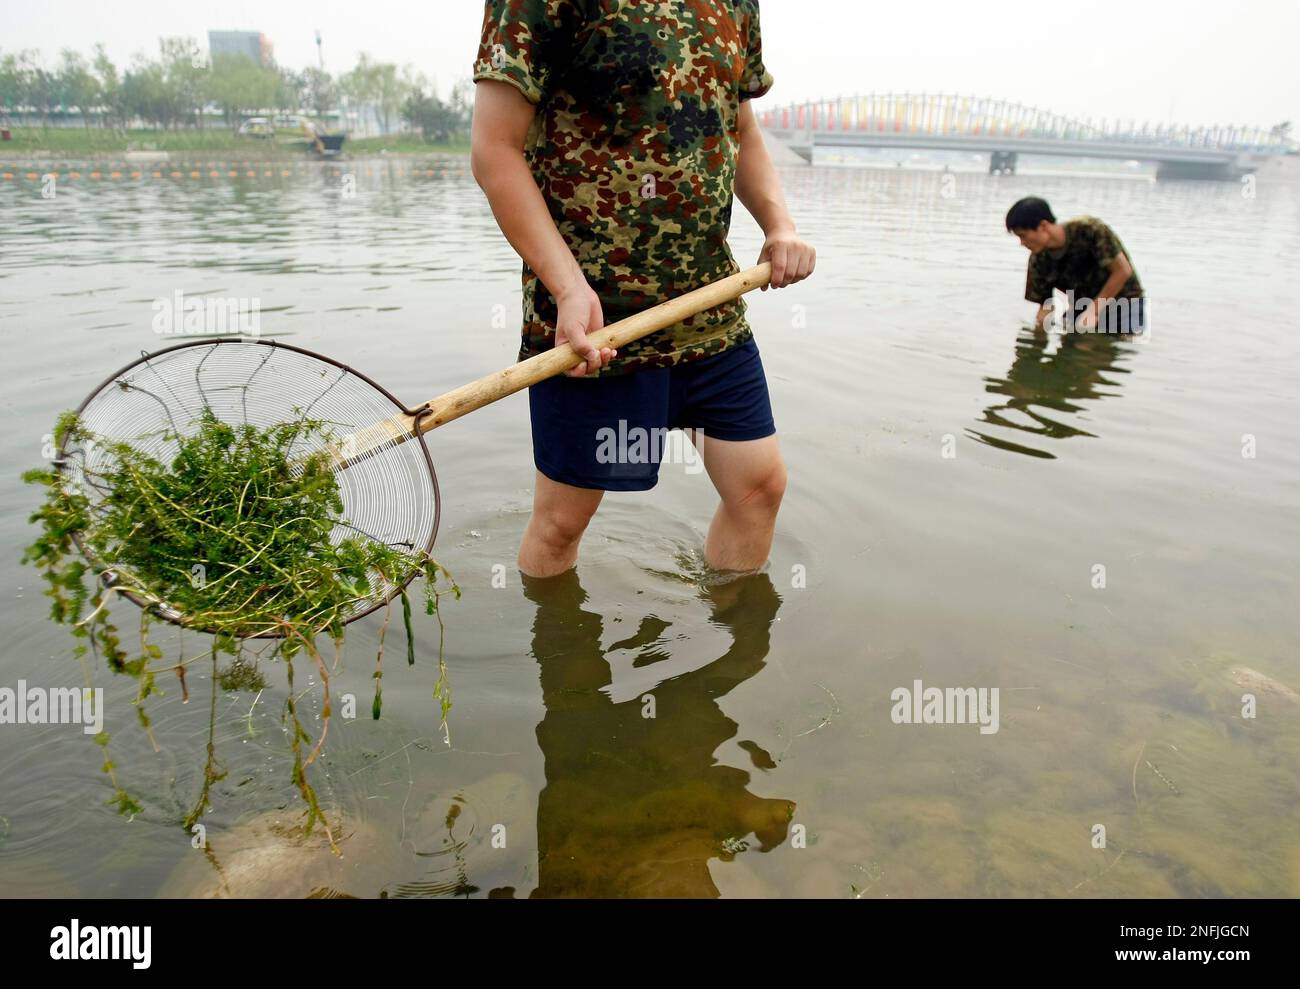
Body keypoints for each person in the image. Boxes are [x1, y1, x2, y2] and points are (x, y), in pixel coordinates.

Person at [470, 0, 815, 579]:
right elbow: (494, 150)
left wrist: (780, 225)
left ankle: (726, 650)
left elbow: (742, 127)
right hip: (594, 323)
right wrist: (568, 287)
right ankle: (562, 659)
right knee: (561, 525)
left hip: (709, 307)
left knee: (758, 489)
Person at [1005, 196, 1145, 335]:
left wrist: (1094, 312)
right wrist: (1036, 337)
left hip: (1125, 303)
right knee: (1071, 350)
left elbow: (1123, 271)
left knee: (1115, 347)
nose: (1022, 243)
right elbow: (1045, 307)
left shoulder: (1090, 230)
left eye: (1023, 236)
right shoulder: (1038, 260)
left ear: (1043, 226)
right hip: (1082, 305)